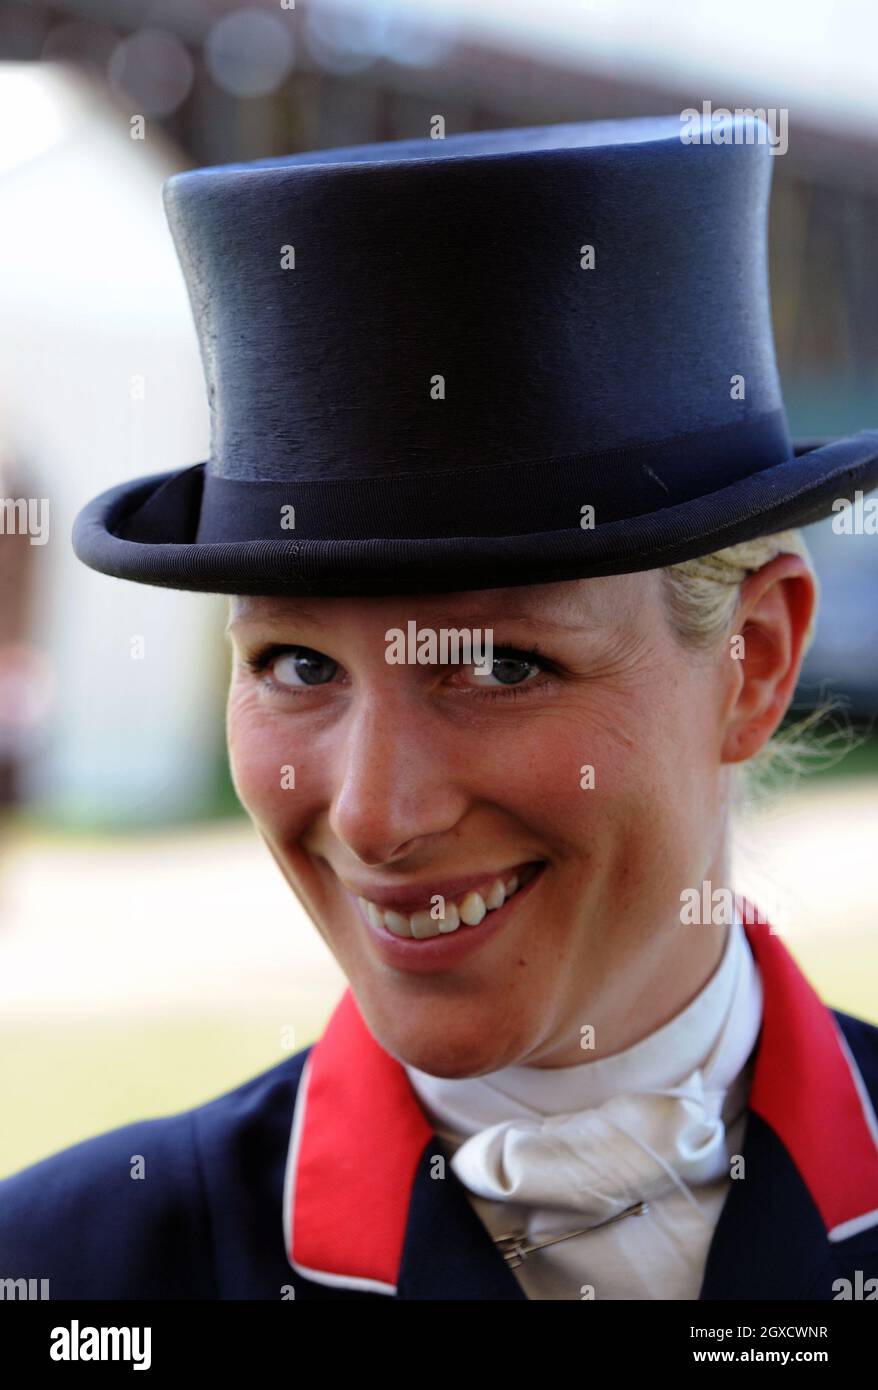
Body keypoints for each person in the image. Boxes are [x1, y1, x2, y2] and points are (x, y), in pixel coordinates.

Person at [2, 115, 878, 1301]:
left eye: (499, 666)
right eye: (296, 664)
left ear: (752, 662)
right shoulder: (63, 1276)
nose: (375, 817)